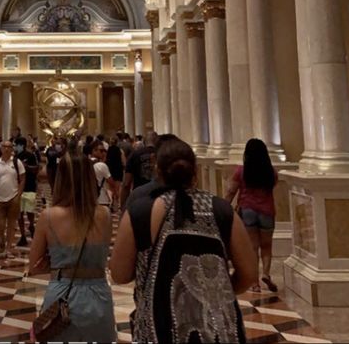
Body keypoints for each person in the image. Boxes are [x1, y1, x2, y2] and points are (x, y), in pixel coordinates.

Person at [110, 138, 257, 344]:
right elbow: (249, 273)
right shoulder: (221, 209)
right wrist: (214, 292)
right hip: (216, 329)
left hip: (157, 326)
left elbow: (119, 273)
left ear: (158, 170)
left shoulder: (140, 211)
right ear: (194, 171)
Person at [28, 152, 116, 343]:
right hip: (98, 295)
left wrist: (57, 262)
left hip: (62, 296)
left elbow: (33, 266)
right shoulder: (105, 215)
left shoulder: (48, 217)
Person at [226, 138, 279, 292]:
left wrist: (224, 206)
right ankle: (267, 274)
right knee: (267, 246)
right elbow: (272, 187)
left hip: (248, 210)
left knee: (253, 247)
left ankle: (255, 283)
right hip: (267, 211)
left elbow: (231, 191)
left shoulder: (241, 171)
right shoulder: (271, 172)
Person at [18, 135, 39, 246]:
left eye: (17, 145)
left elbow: (36, 169)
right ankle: (22, 236)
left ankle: (31, 224)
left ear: (22, 145)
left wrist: (26, 167)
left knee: (29, 211)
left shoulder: (30, 156)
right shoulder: (15, 157)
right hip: (18, 189)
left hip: (30, 186)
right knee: (19, 213)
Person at [91, 139, 115, 208]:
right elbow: (111, 182)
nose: (103, 153)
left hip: (89, 199)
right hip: (101, 198)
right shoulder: (102, 165)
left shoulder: (85, 163)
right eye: (101, 151)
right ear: (94, 150)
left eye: (104, 151)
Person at [105, 135, 124, 209]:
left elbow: (106, 159)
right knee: (117, 188)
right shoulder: (120, 150)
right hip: (118, 170)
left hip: (110, 170)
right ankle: (118, 204)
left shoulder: (108, 150)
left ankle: (112, 203)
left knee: (111, 188)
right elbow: (123, 161)